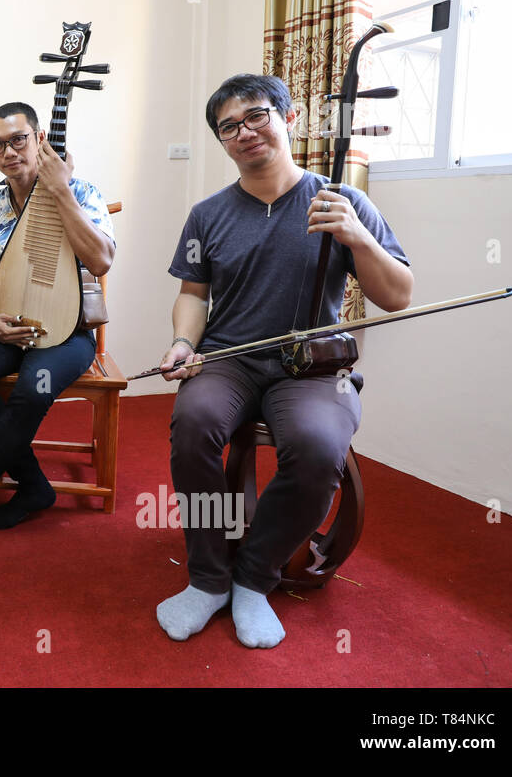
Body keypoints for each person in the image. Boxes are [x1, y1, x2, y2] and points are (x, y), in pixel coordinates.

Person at [156, 73, 412, 647]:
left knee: (320, 446)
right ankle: (208, 579)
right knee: (193, 426)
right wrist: (183, 343)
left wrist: (359, 239)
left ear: (287, 118)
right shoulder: (208, 214)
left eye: (256, 116)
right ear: (221, 142)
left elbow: (397, 295)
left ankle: (254, 578)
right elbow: (194, 295)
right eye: (229, 127)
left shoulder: (343, 201)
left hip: (314, 364)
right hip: (229, 358)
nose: (245, 132)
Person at [0, 102, 116, 552]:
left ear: (39, 141)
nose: (9, 151)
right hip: (9, 323)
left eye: (18, 140)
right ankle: (34, 484)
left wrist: (62, 192)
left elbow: (101, 259)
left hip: (67, 332)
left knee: (34, 387)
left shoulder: (83, 192)